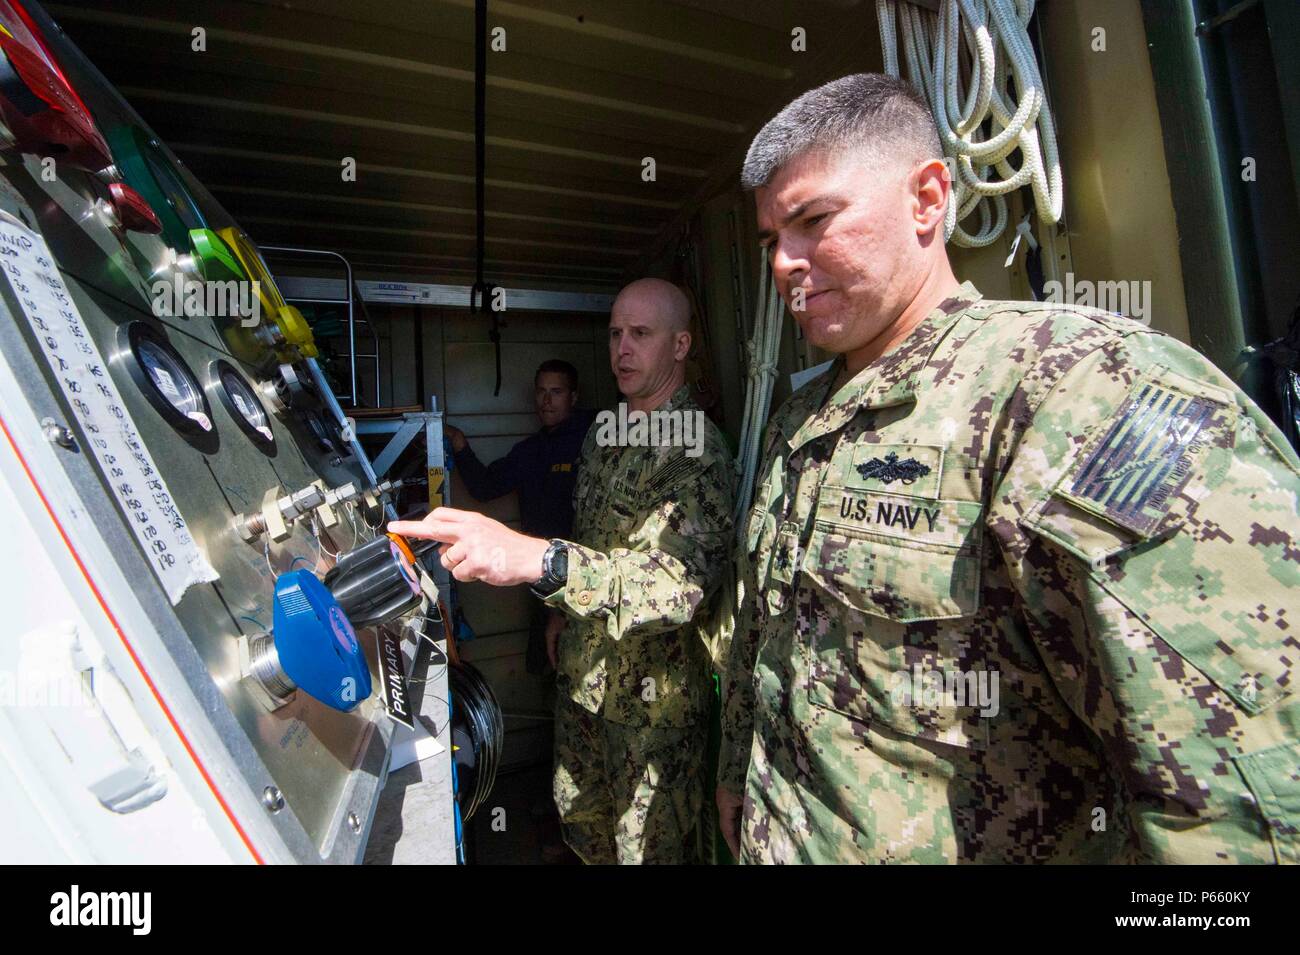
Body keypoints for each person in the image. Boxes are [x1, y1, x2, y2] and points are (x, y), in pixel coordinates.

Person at [717, 73, 1300, 864]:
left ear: (928, 200)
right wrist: (736, 781)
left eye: (812, 220)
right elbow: (767, 633)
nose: (783, 264)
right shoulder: (802, 417)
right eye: (768, 242)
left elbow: (1238, 797)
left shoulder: (1078, 389)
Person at [391, 278, 733, 864]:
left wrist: (537, 560)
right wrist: (556, 613)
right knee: (583, 829)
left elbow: (678, 588)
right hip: (582, 685)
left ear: (679, 346)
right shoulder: (606, 436)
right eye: (615, 334)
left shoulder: (697, 451)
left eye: (641, 334)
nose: (621, 348)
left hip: (650, 715)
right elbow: (589, 532)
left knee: (648, 851)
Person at [444, 359, 593, 674]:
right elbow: (485, 487)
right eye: (541, 392)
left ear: (574, 397)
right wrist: (460, 445)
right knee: (552, 668)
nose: (546, 401)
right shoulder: (532, 451)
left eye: (556, 392)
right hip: (546, 576)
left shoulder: (598, 440)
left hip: (595, 574)